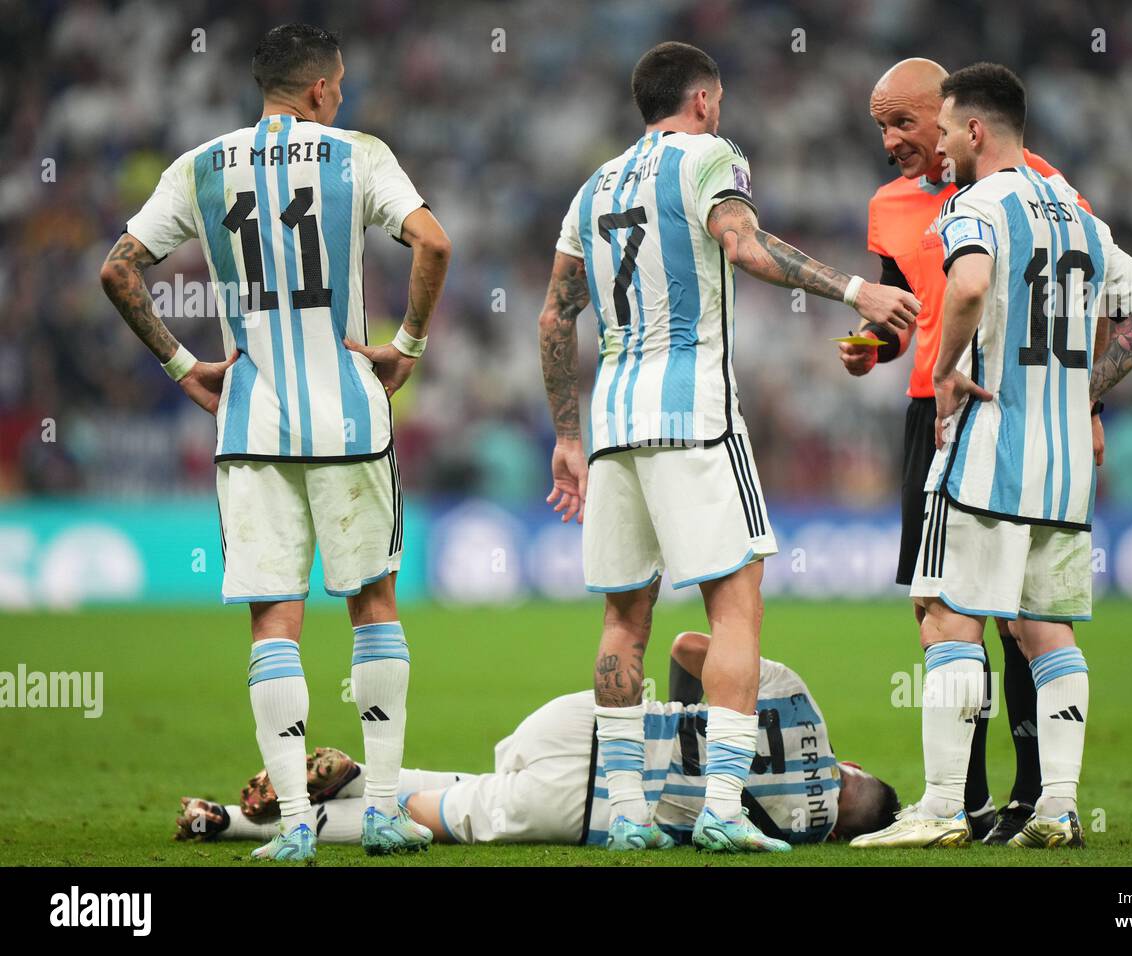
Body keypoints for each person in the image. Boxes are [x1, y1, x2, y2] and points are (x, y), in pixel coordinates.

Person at [537, 41, 919, 853]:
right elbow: (743, 246)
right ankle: (719, 805)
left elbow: (551, 318)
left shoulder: (593, 186)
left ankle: (630, 812)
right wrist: (858, 289)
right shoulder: (711, 155)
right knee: (736, 605)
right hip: (694, 414)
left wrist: (568, 435)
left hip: (612, 424)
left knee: (623, 619)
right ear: (704, 101)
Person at [100, 23, 452, 862]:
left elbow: (118, 269)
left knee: (275, 621)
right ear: (324, 90)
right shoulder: (358, 154)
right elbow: (434, 242)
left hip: (250, 425)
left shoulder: (200, 165)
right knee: (372, 605)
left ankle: (295, 822)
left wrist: (184, 365)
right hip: (350, 422)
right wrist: (408, 345)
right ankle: (377, 814)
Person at [851, 63, 1132, 849]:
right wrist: (1082, 392)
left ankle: (943, 806)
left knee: (945, 612)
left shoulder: (976, 202)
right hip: (1059, 461)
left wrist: (951, 364)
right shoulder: (1076, 215)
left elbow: (965, 291)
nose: (925, 145)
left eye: (936, 128)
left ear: (969, 129)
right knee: (1045, 626)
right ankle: (1057, 806)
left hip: (985, 437)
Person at [175, 632, 901, 848]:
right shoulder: (802, 834)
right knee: (429, 819)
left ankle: (355, 773)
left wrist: (697, 722)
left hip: (589, 720)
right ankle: (229, 824)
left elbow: (685, 646)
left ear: (850, 765)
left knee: (472, 783)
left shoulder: (797, 697)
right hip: (585, 807)